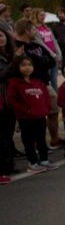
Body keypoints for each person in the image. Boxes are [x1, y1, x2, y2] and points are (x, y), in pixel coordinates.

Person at [12, 18, 61, 147]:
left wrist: (38, 59)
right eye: (33, 29)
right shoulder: (17, 46)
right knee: (36, 116)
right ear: (27, 31)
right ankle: (37, 143)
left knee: (54, 110)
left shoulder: (37, 45)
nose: (36, 32)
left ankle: (55, 139)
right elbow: (24, 64)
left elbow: (51, 61)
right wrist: (40, 60)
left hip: (45, 83)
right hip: (29, 85)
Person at [6, 56, 57, 172]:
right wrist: (26, 111)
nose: (27, 68)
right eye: (23, 65)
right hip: (25, 118)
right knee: (29, 141)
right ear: (17, 67)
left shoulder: (38, 82)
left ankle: (44, 160)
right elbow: (12, 100)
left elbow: (45, 97)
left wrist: (45, 109)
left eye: (29, 65)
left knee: (41, 139)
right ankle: (32, 163)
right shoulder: (14, 83)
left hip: (40, 116)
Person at [0, 28, 16, 182]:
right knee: (3, 136)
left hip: (13, 99)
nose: (1, 38)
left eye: (2, 35)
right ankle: (5, 167)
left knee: (8, 134)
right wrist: (15, 63)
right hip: (2, 100)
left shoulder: (11, 54)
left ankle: (10, 164)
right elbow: (2, 75)